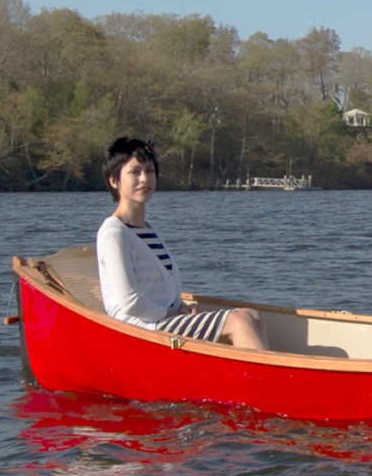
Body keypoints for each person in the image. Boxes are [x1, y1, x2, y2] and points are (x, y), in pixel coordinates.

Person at [96, 136, 268, 350]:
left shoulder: (147, 229)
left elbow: (156, 288)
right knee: (239, 321)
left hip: (161, 320)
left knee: (252, 315)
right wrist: (172, 313)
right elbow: (128, 302)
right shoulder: (114, 233)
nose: (144, 179)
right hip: (139, 329)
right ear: (114, 181)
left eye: (149, 171)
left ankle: (260, 377)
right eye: (134, 172)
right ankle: (265, 383)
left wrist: (181, 307)